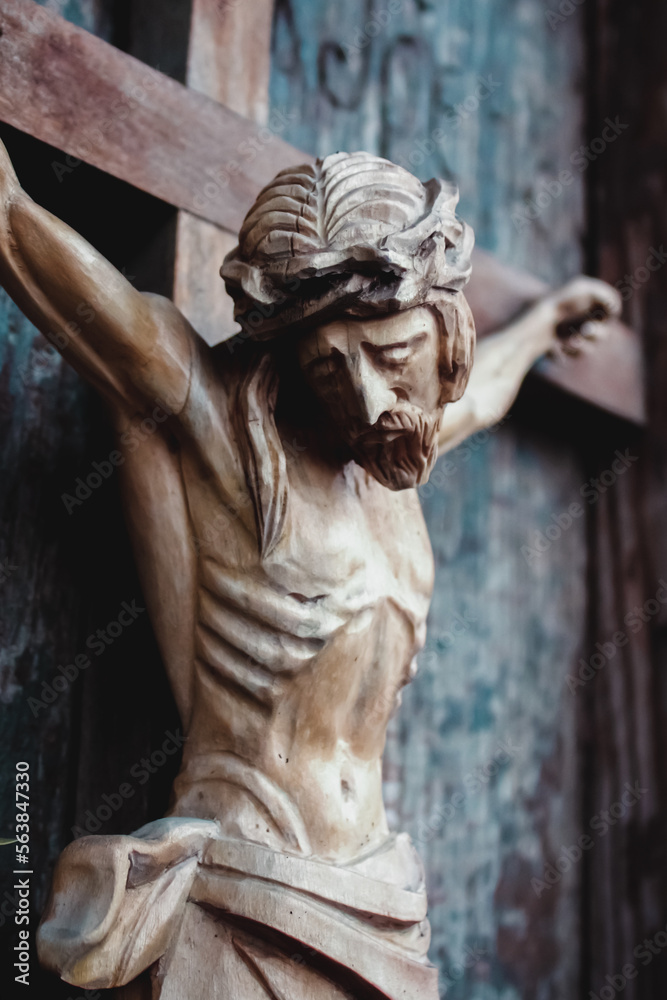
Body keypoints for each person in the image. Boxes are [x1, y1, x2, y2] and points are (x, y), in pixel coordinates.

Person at [0, 145, 620, 998]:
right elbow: (66, 277)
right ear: (290, 359)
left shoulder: (393, 452)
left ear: (442, 327)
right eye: (329, 366)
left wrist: (545, 325)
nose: (367, 396)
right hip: (249, 888)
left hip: (380, 892)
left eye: (389, 351)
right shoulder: (216, 427)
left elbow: (481, 394)